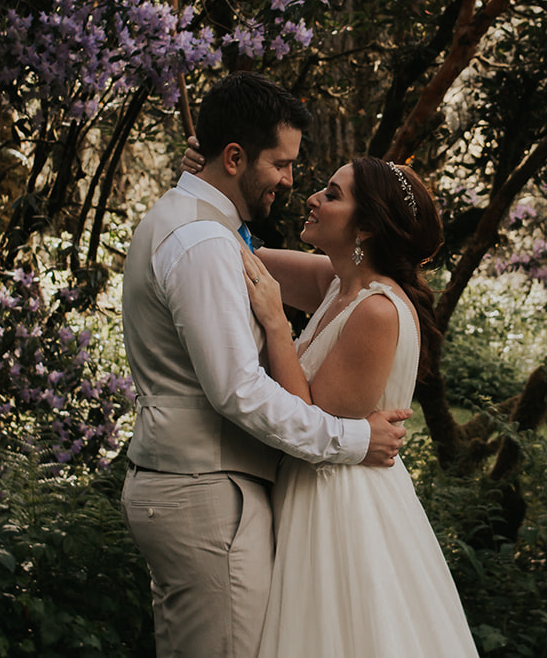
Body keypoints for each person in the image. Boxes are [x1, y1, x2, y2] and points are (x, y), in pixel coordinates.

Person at [120, 71, 410, 658]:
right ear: (234, 158)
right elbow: (237, 391)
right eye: (281, 164)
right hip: (206, 492)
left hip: (210, 489)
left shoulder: (219, 236)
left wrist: (205, 175)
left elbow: (342, 276)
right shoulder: (204, 242)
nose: (293, 182)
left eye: (325, 188)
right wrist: (354, 439)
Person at [182, 140, 479, 656]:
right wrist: (207, 179)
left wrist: (277, 323)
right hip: (309, 492)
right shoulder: (336, 283)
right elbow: (237, 253)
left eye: (333, 195)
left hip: (338, 510)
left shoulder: (378, 311)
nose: (313, 198)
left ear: (364, 227)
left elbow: (308, 421)